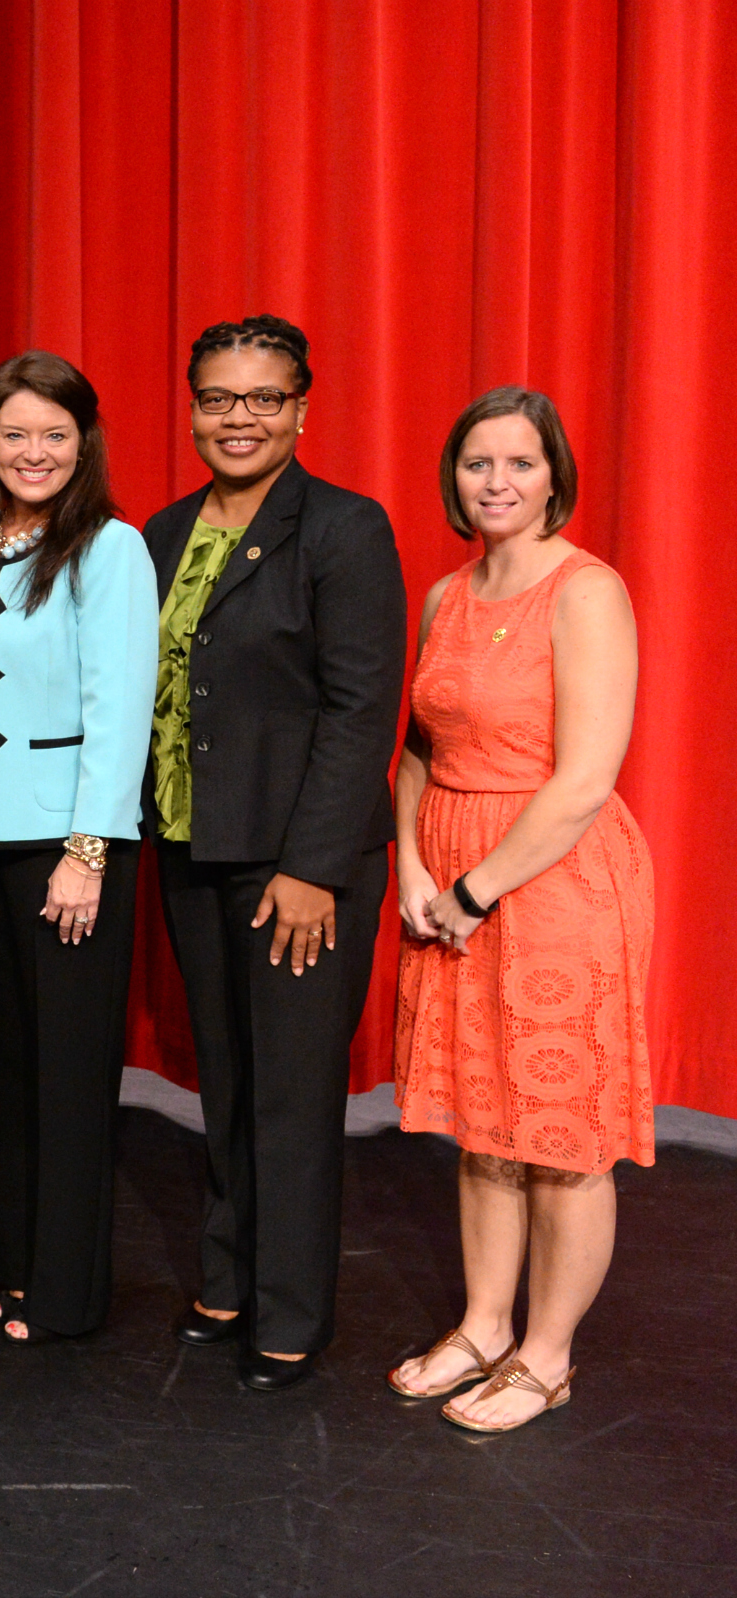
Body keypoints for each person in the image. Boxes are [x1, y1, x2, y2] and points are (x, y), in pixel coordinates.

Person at [143, 316, 406, 1391]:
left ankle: (289, 1309)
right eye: (218, 396)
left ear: (303, 406)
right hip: (193, 843)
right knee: (229, 1076)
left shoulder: (344, 528)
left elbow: (360, 710)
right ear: (193, 403)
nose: (237, 417)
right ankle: (228, 1271)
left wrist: (311, 867)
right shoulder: (161, 532)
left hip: (298, 862)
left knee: (294, 1091)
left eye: (262, 398)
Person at [384, 388, 653, 1433]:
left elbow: (585, 777)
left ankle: (549, 1354)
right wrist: (411, 862)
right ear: (453, 476)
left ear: (555, 476)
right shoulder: (446, 596)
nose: (496, 481)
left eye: (519, 463)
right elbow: (417, 748)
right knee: (483, 1124)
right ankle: (486, 1324)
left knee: (561, 1132)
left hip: (552, 881)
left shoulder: (589, 592)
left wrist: (470, 888)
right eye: (476, 463)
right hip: (445, 872)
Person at [0, 353, 156, 1344]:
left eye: (55, 434)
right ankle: (15, 1265)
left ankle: (64, 1290)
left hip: (62, 848)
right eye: (15, 432)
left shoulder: (109, 548)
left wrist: (90, 848)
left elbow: (122, 707)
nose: (35, 452)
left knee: (67, 1075)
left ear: (85, 442)